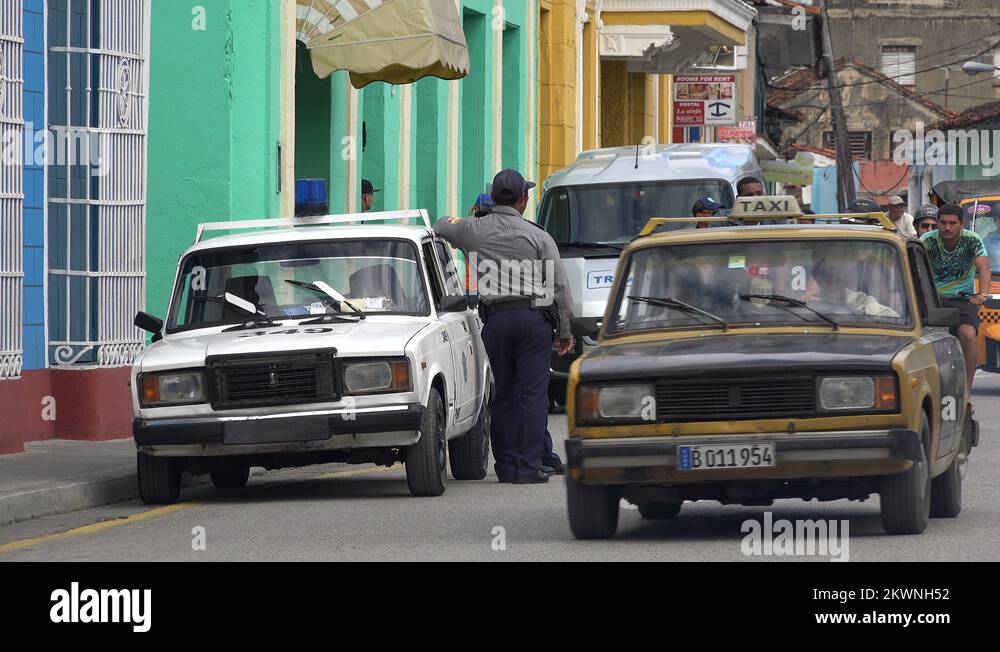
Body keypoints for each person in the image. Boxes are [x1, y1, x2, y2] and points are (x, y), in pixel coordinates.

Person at [435, 169, 575, 485]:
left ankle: (507, 465)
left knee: (504, 394)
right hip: (533, 322)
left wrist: (471, 219)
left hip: (496, 321)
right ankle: (527, 467)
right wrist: (565, 330)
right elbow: (560, 286)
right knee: (533, 395)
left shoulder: (473, 229)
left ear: (494, 198)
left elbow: (441, 224)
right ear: (523, 200)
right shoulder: (538, 235)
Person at [921, 204, 991, 393]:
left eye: (952, 223)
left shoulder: (972, 240)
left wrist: (982, 294)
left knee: (968, 335)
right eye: (943, 223)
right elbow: (915, 267)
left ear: (962, 224)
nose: (947, 227)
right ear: (937, 223)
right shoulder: (926, 241)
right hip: (932, 299)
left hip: (963, 300)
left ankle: (967, 390)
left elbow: (984, 268)